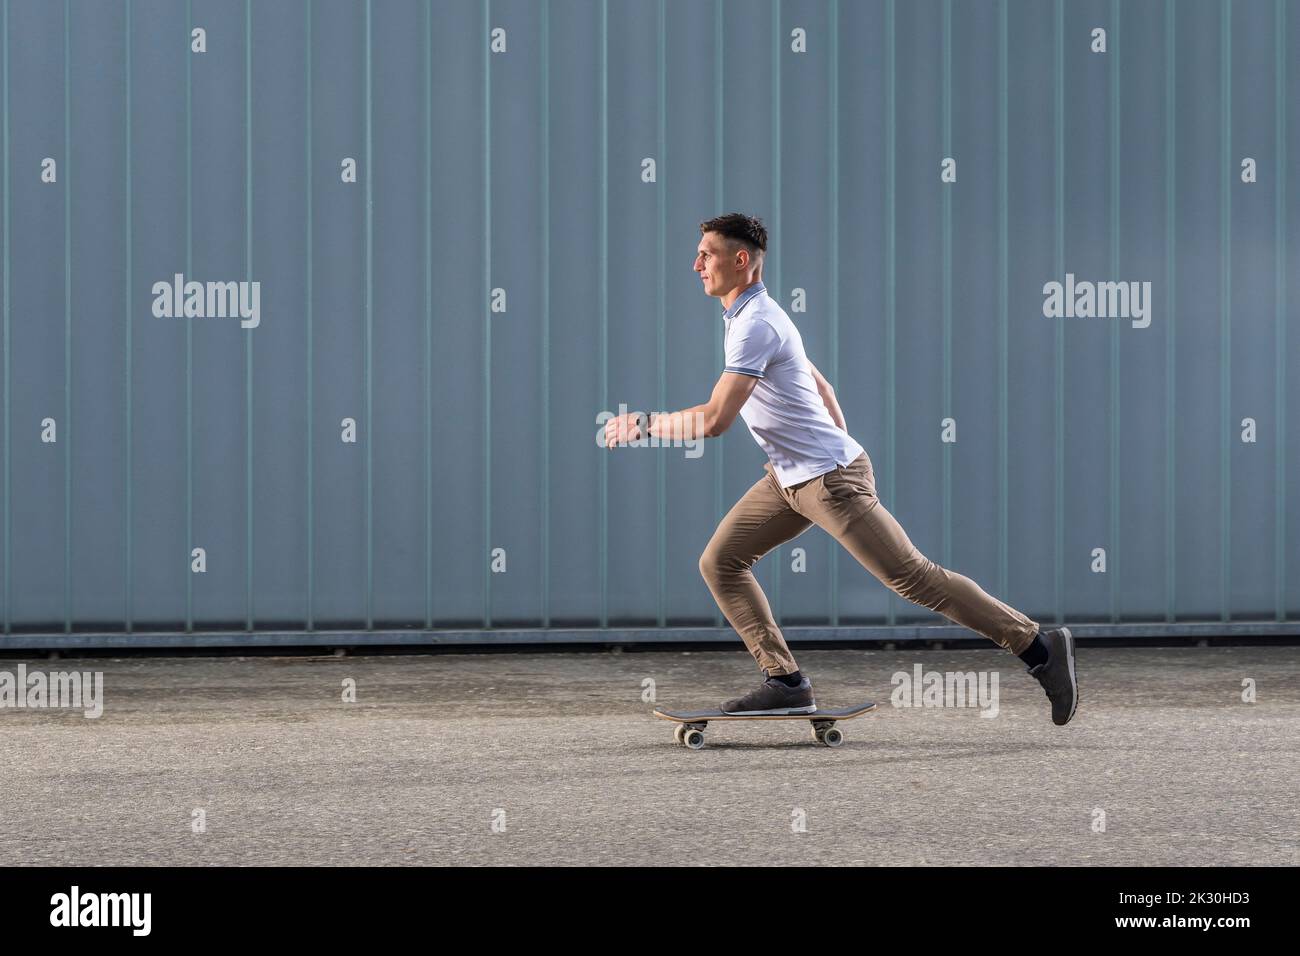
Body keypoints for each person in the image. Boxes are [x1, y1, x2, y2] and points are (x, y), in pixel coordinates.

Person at [604, 213, 1078, 725]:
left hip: (827, 482)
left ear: (740, 260)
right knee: (720, 563)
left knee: (915, 578)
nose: (696, 263)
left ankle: (1038, 646)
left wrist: (647, 423)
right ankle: (785, 682)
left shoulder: (756, 325)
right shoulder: (751, 317)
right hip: (791, 478)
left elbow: (717, 421)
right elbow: (822, 389)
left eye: (707, 254)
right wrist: (834, 450)